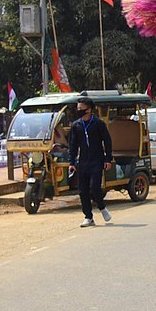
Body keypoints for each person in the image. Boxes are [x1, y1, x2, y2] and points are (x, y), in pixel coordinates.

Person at [67, 97, 113, 227]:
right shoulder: (76, 125)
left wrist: (108, 159)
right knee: (82, 190)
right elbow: (73, 145)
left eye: (82, 109)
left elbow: (107, 141)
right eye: (78, 109)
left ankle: (102, 208)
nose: (79, 111)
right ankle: (88, 217)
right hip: (83, 162)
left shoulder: (98, 124)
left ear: (89, 110)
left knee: (94, 187)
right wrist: (71, 162)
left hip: (97, 161)